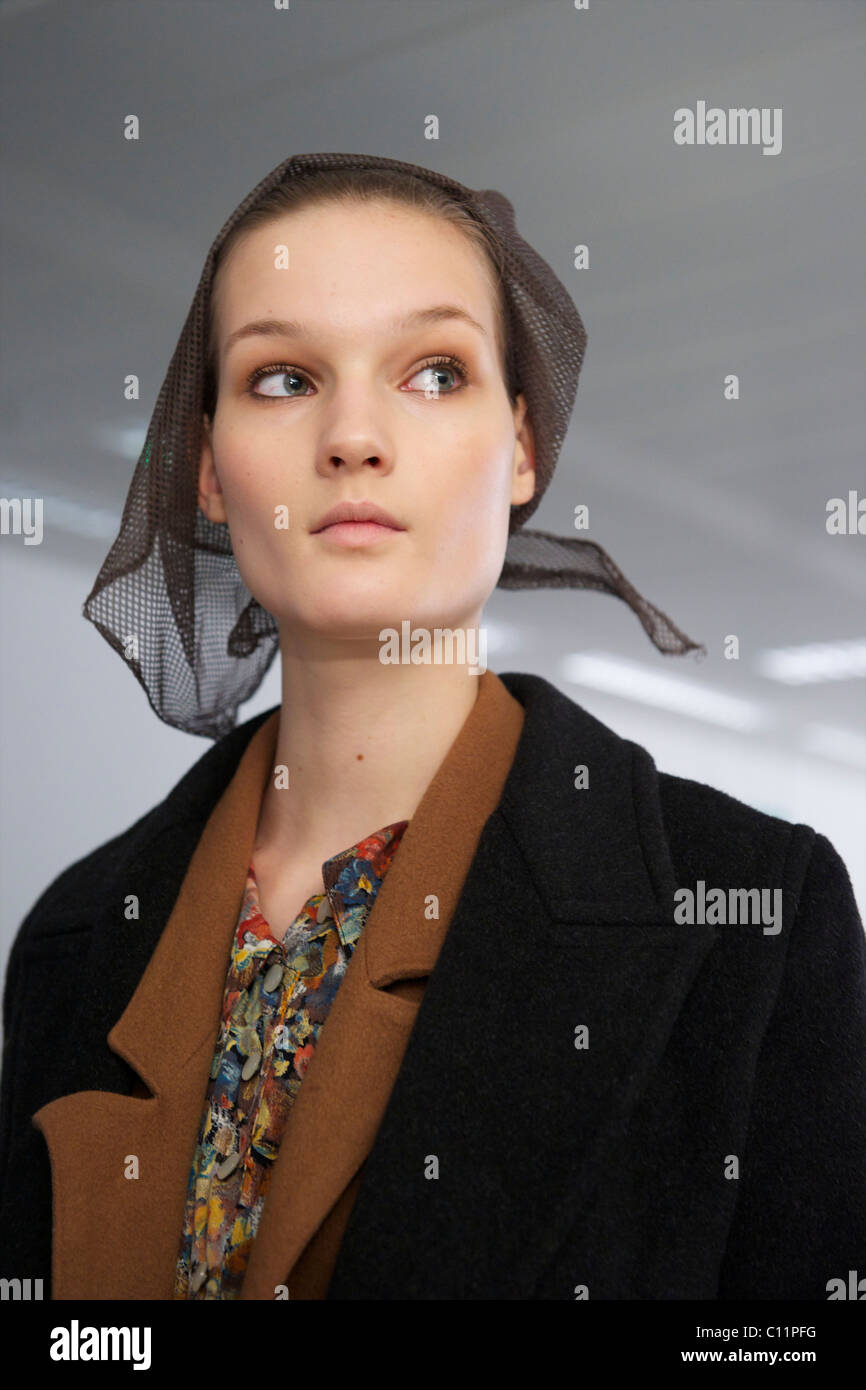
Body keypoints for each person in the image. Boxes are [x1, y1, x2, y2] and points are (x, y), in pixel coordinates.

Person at [1, 154, 863, 1302]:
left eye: (433, 370)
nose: (353, 436)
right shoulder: (71, 935)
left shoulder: (756, 912)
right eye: (280, 378)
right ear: (206, 469)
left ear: (520, 448)